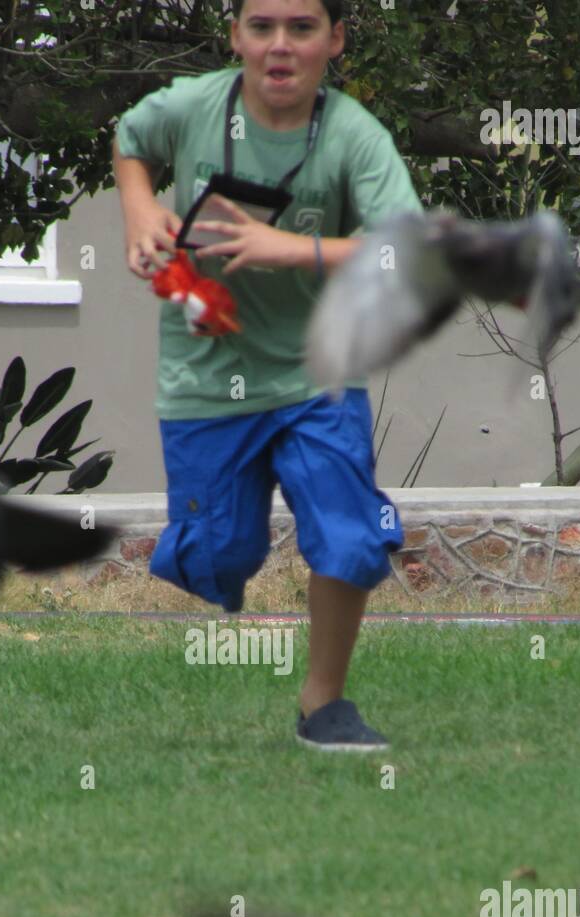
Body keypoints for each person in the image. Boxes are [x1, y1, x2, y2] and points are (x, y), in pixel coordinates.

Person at [114, 0, 423, 749]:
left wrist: (292, 249)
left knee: (350, 536)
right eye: (261, 27)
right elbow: (130, 137)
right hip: (205, 374)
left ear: (335, 39)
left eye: (301, 27)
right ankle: (213, 546)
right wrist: (138, 207)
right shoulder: (190, 108)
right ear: (235, 37)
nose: (279, 46)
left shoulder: (353, 135)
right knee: (217, 559)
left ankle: (323, 707)